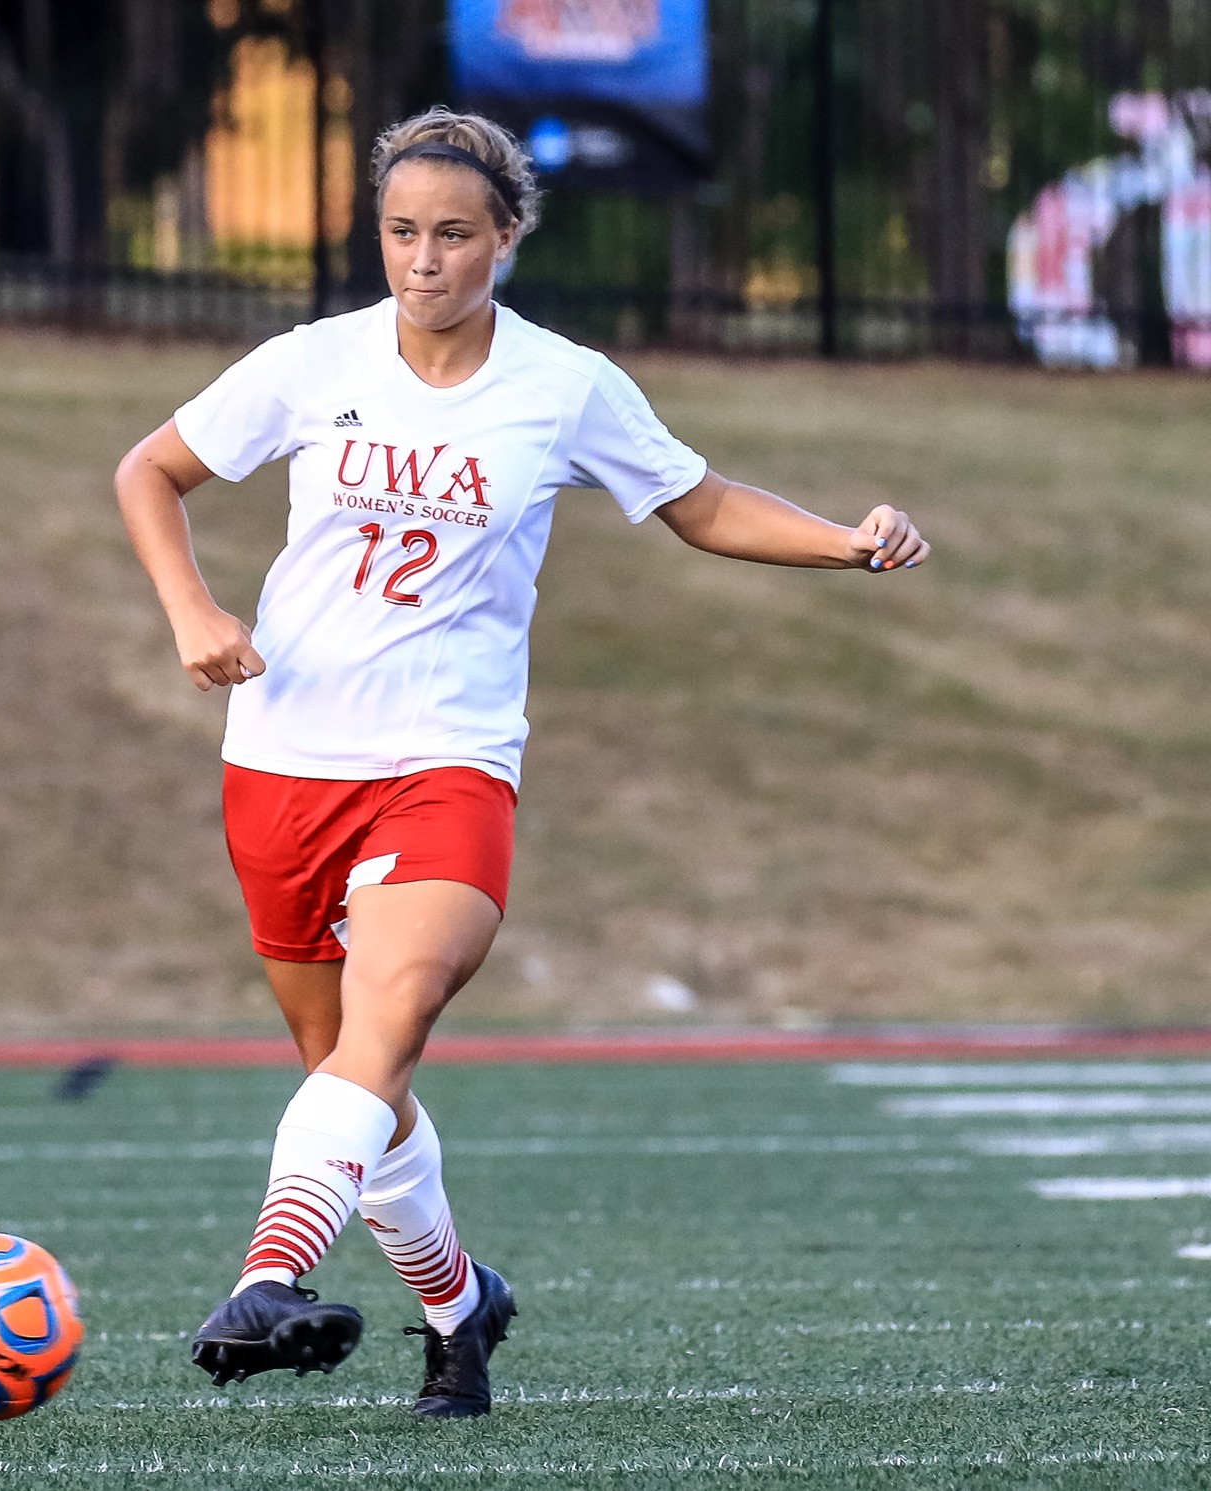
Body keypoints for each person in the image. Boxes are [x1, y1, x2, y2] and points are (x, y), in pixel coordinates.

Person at [114, 106, 929, 1420]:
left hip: (449, 761)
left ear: (505, 240)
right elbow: (149, 472)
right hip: (281, 761)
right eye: (400, 232)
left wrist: (853, 540)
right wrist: (194, 614)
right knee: (351, 1080)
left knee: (391, 1019)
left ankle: (269, 1277)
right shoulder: (311, 361)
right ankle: (458, 1307)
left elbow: (700, 504)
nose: (423, 260)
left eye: (452, 235)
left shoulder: (565, 385)